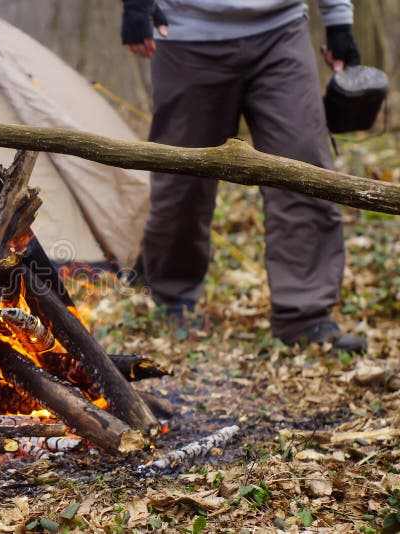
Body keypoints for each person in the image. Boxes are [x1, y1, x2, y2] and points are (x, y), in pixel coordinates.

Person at [121, 0, 367, 352]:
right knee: (181, 182)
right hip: (185, 35)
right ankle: (173, 299)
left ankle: (306, 316)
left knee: (304, 173)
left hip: (281, 32)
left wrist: (338, 21)